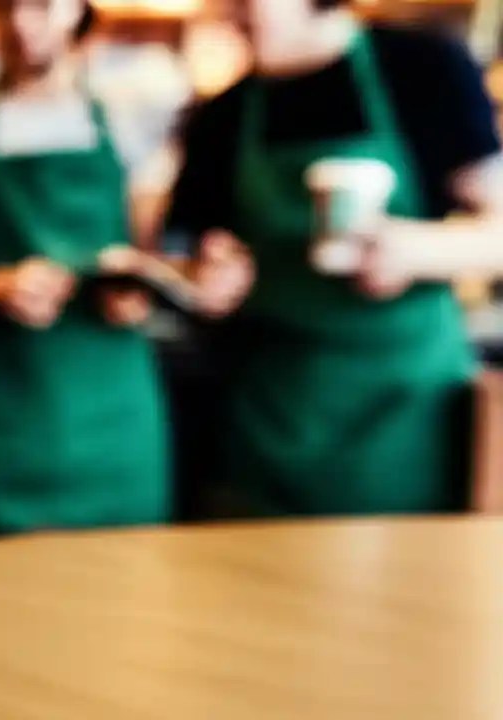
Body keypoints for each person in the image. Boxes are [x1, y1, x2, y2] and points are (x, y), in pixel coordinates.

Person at [170, 0, 503, 516]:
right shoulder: (222, 116)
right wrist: (211, 275)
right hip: (273, 418)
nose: (228, 14)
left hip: (407, 413)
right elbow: (189, 256)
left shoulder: (421, 70)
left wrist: (417, 251)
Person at [0, 0, 173, 536]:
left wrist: (134, 289)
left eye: (41, 5)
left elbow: (152, 260)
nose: (22, 23)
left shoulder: (132, 112)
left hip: (113, 411)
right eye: (5, 7)